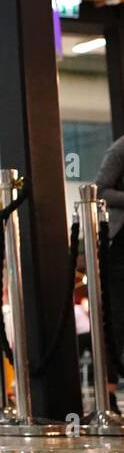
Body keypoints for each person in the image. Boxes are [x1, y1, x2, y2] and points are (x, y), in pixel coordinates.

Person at [95, 135, 124, 376]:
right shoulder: (120, 148)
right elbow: (100, 190)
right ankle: (109, 389)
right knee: (116, 317)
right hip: (120, 244)